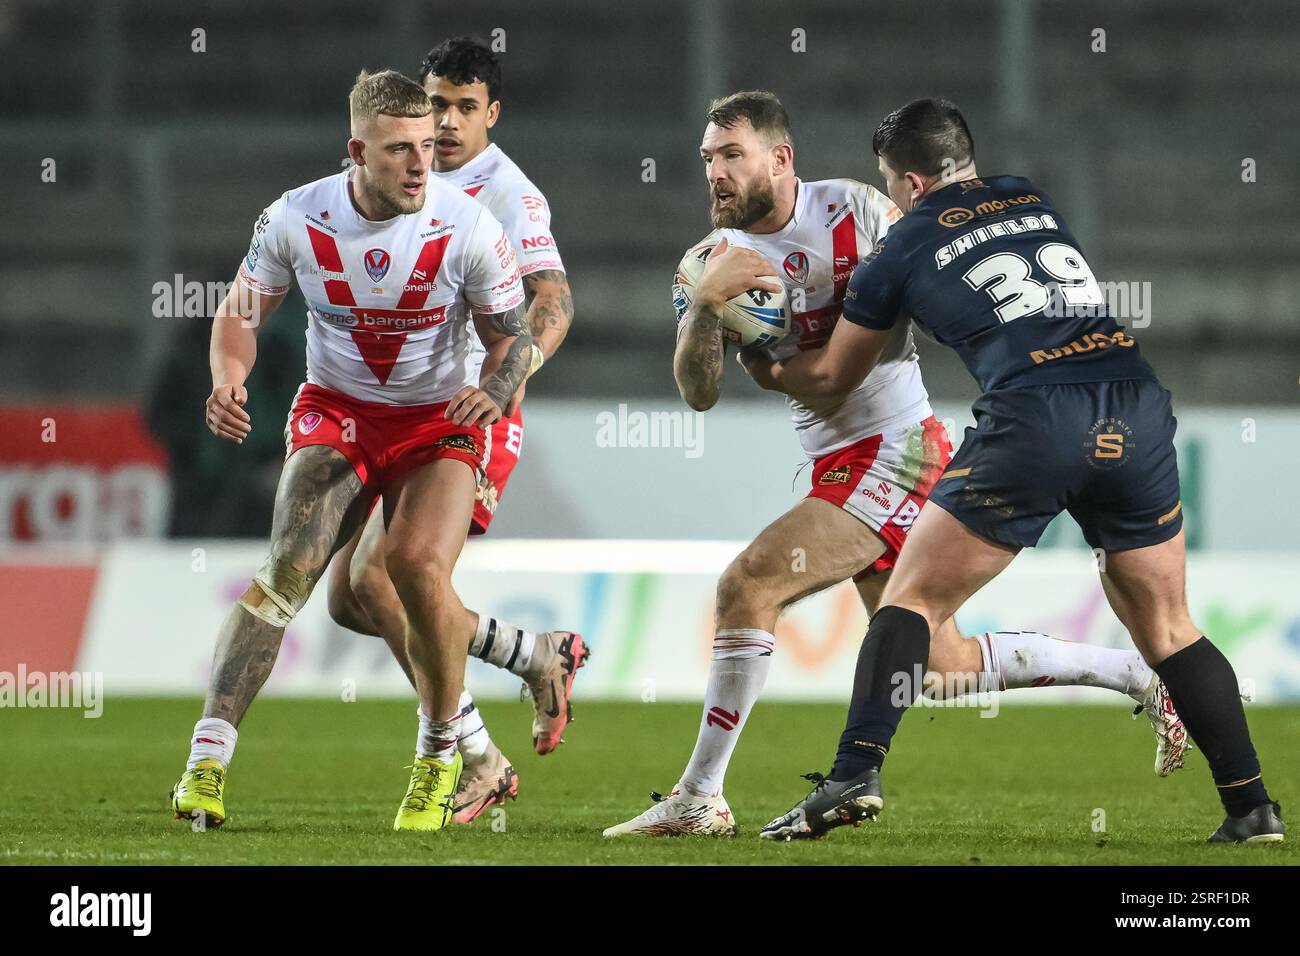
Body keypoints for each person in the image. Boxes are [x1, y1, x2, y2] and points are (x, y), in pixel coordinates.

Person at [604, 91, 1184, 839]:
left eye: (730, 155)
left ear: (779, 158)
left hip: (897, 447)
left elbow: (933, 273)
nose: (713, 172)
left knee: (748, 585)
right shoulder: (710, 264)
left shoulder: (857, 211)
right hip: (835, 461)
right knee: (936, 665)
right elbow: (699, 394)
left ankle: (698, 798)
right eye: (707, 159)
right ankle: (1136, 674)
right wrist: (702, 313)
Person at [753, 98, 1282, 845]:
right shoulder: (1031, 196)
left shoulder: (900, 247)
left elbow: (834, 377)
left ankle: (853, 775)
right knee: (1167, 626)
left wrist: (764, 358)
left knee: (909, 603)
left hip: (1036, 416)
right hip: (1134, 404)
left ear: (908, 180)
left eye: (890, 180)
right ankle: (1252, 807)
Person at [169, 69, 533, 833]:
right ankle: (206, 761)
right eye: (399, 149)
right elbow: (241, 311)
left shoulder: (468, 227)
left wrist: (496, 391)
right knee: (286, 577)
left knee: (412, 568)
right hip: (340, 415)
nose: (418, 164)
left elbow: (514, 338)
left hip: (440, 419)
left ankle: (438, 759)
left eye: (428, 148)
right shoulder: (298, 217)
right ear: (355, 152)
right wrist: (228, 378)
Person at [325, 37, 585, 827]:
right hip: (395, 410)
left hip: (469, 414)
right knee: (347, 597)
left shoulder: (508, 193)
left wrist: (502, 384)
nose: (444, 121)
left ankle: (469, 755)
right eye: (436, 102)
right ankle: (527, 656)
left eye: (464, 107)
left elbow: (553, 302)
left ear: (490, 114)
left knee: (386, 577)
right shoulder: (406, 173)